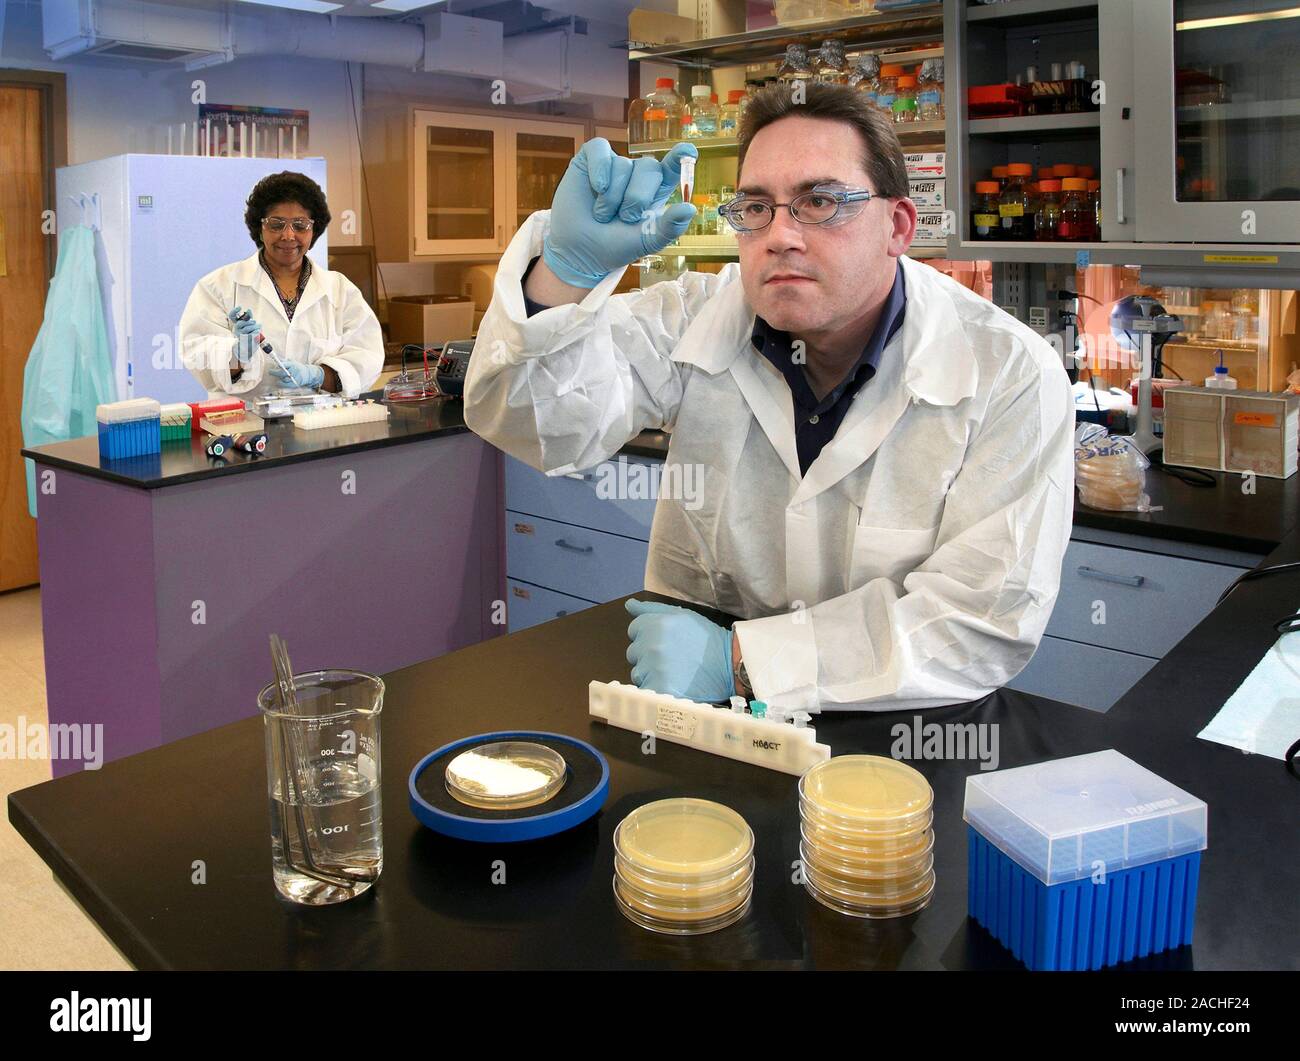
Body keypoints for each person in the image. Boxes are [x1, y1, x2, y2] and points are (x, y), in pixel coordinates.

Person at [464, 84, 1075, 713]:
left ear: (896, 226)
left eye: (821, 202)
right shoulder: (694, 318)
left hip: (896, 729)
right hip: (698, 723)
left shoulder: (1009, 372)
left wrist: (740, 662)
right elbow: (540, 425)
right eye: (756, 207)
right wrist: (564, 275)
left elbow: (978, 621)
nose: (780, 235)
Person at [179, 171, 382, 400]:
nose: (288, 235)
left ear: (313, 229)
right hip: (245, 427)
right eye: (276, 225)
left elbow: (367, 356)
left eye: (300, 225)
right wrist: (237, 354)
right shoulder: (218, 286)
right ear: (260, 227)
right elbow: (198, 355)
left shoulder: (339, 290)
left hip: (319, 423)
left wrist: (316, 374)